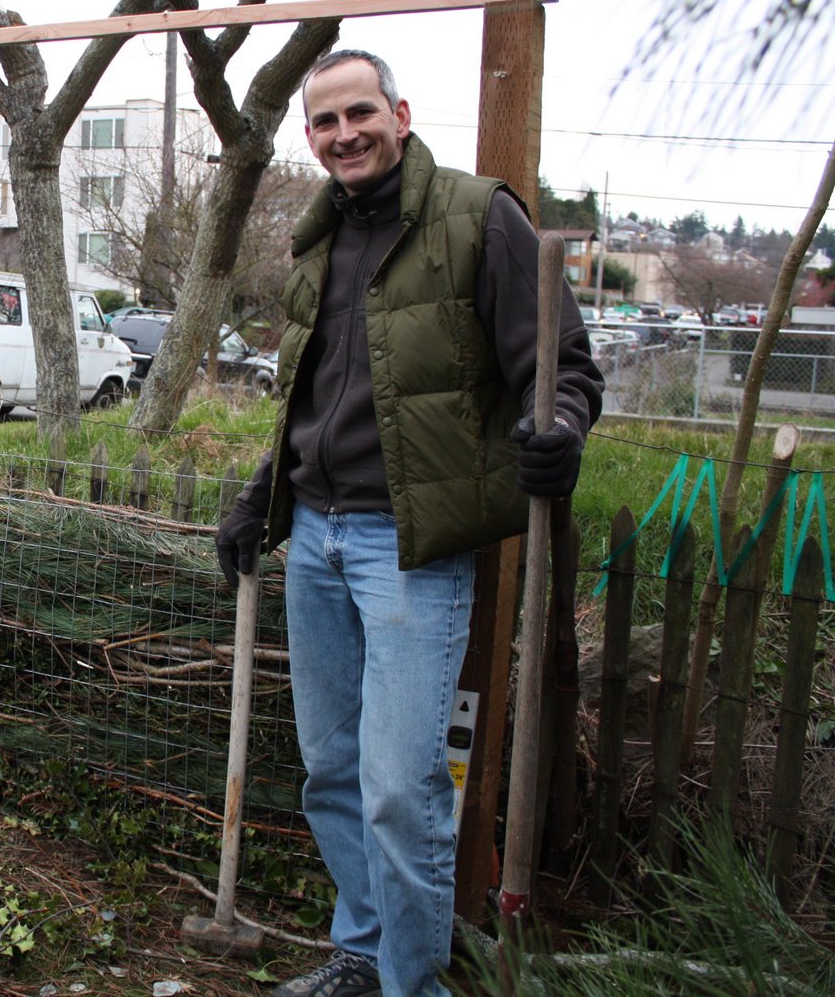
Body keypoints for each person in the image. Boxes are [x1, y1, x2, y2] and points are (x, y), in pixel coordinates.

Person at [215, 50, 603, 997]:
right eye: (325, 122)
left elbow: (564, 366)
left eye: (360, 113)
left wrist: (559, 429)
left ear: (400, 113)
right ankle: (361, 952)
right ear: (311, 139)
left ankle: (412, 983)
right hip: (316, 537)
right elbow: (312, 399)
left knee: (401, 787)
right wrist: (264, 495)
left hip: (409, 547)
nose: (344, 134)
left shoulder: (479, 218)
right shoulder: (320, 237)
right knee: (331, 771)